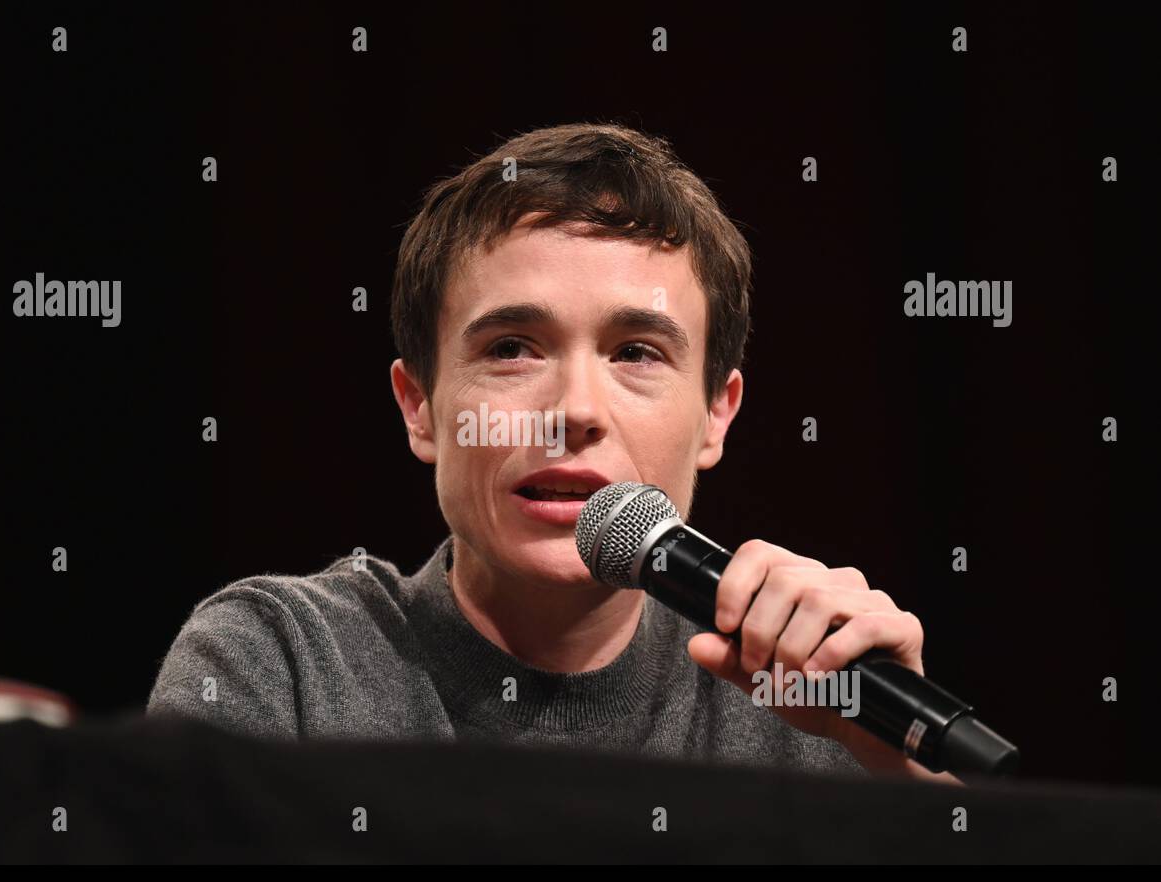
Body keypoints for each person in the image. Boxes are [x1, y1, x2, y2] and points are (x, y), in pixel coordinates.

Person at [149, 121, 958, 783]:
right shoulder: (281, 664)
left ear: (717, 414)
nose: (573, 413)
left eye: (637, 352)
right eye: (511, 348)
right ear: (421, 407)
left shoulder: (808, 697)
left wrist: (905, 770)